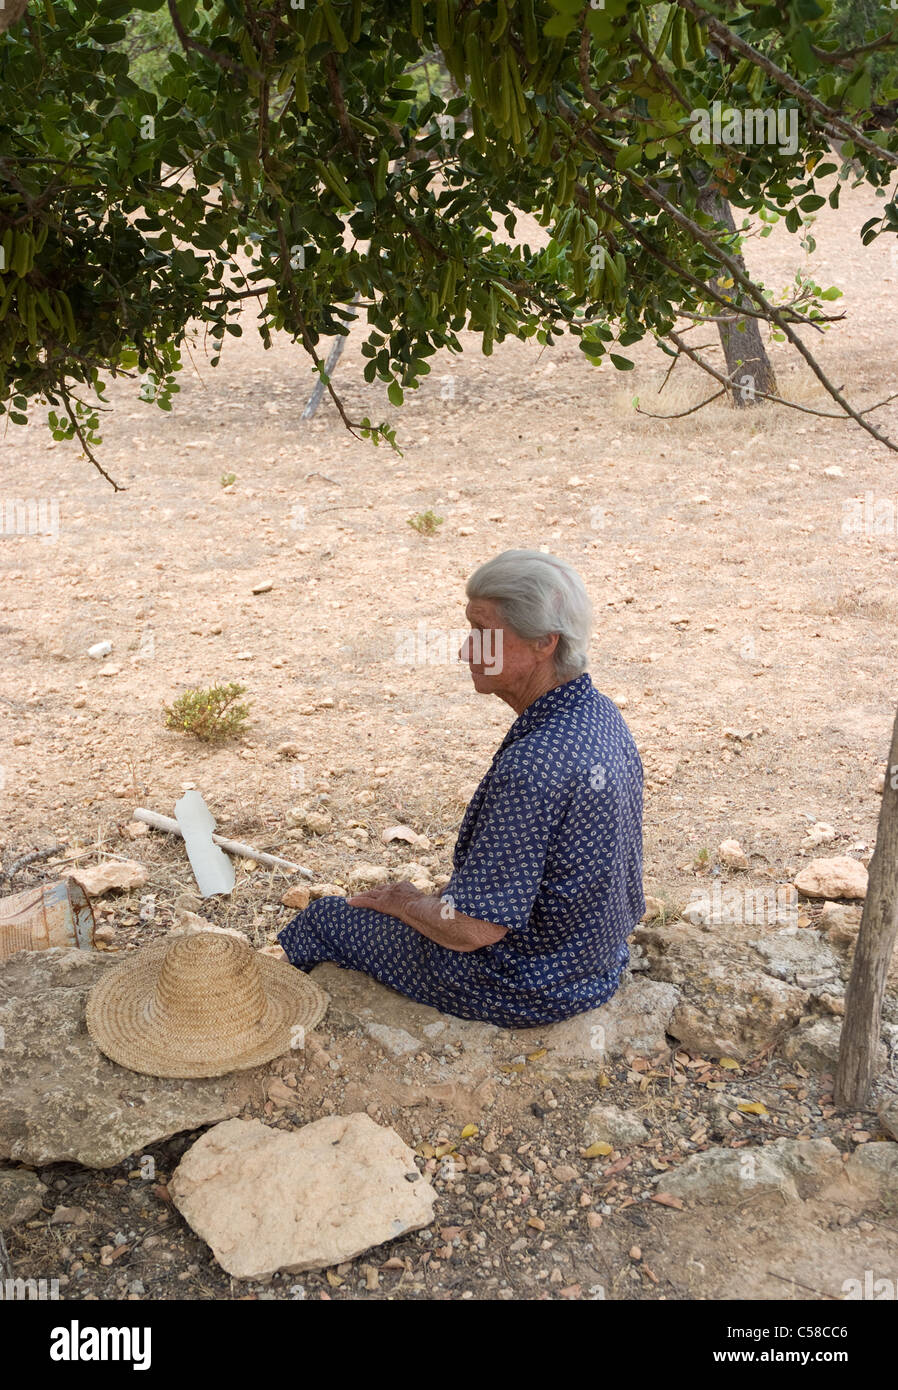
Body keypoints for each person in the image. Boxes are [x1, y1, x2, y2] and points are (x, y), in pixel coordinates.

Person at [277, 549, 645, 1027]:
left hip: (529, 984)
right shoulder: (596, 713)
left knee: (323, 921)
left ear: (544, 643)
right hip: (595, 961)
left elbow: (472, 930)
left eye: (485, 635)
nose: (465, 652)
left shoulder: (534, 766)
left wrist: (404, 902)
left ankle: (268, 1021)